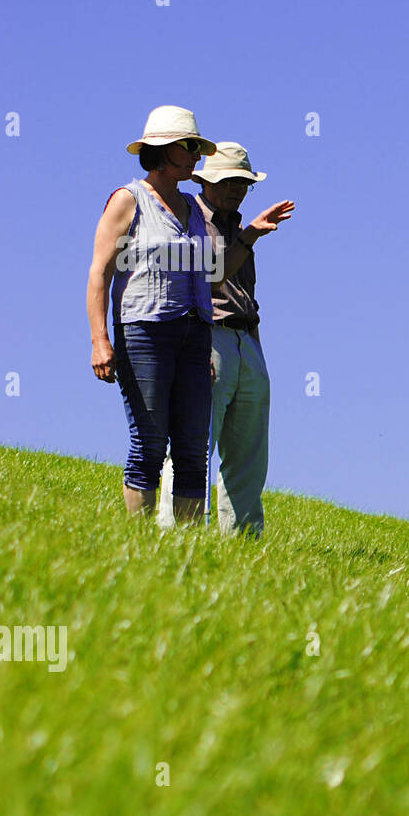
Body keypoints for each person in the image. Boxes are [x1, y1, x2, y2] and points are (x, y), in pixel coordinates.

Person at [86, 105, 217, 520]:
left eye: (197, 146)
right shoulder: (129, 200)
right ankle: (137, 545)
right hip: (144, 332)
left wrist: (206, 346)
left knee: (193, 447)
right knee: (150, 439)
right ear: (162, 150)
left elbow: (206, 276)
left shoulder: (195, 209)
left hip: (194, 335)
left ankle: (191, 551)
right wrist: (100, 340)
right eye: (189, 146)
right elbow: (100, 273)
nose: (197, 155)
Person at [157, 142, 293, 535]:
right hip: (209, 337)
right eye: (229, 181)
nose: (236, 189)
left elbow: (243, 292)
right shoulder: (189, 215)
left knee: (250, 454)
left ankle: (245, 542)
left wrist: (255, 348)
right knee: (195, 443)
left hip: (246, 341)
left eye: (244, 183)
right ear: (206, 180)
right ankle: (176, 533)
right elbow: (206, 274)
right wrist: (249, 236)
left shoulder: (240, 226)